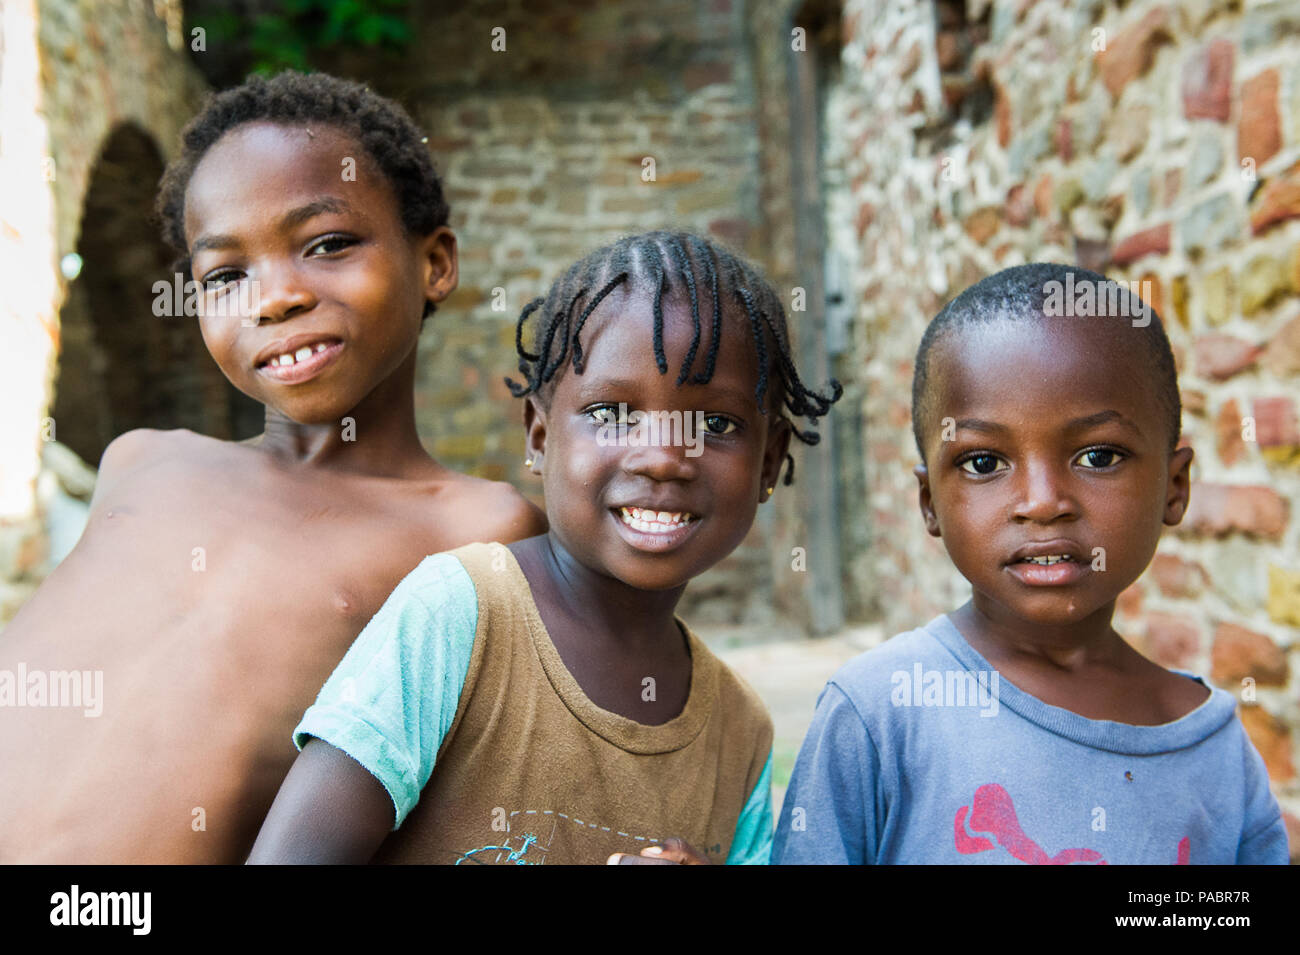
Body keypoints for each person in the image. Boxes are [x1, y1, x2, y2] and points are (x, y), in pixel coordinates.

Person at [0, 71, 545, 863]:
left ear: (435, 262)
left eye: (326, 244)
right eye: (226, 275)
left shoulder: (480, 530)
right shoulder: (145, 461)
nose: (275, 297)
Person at [247, 231, 844, 864]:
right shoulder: (460, 618)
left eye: (714, 424)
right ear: (539, 435)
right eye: (612, 413)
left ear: (771, 461)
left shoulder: (737, 732)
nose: (664, 458)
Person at [773, 263, 1288, 865]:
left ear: (1174, 487)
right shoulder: (878, 713)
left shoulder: (1213, 748)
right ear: (929, 502)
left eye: (1098, 456)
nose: (1043, 502)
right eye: (984, 463)